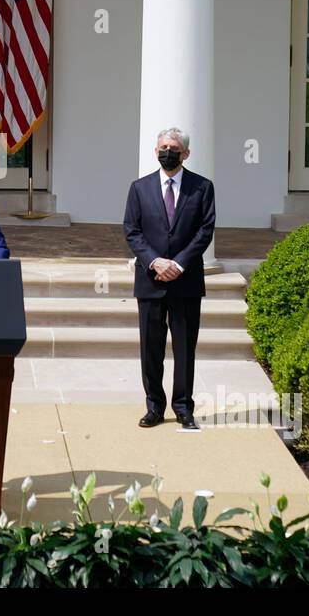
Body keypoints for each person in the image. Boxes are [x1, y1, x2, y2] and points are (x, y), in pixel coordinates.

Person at [122, 127, 216, 430]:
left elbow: (205, 230)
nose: (167, 151)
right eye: (163, 146)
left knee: (185, 348)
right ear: (155, 151)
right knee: (150, 349)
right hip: (150, 281)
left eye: (174, 147)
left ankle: (183, 407)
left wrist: (178, 263)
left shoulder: (202, 187)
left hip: (185, 281)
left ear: (185, 153)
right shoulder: (139, 188)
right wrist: (155, 261)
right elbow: (131, 230)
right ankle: (154, 406)